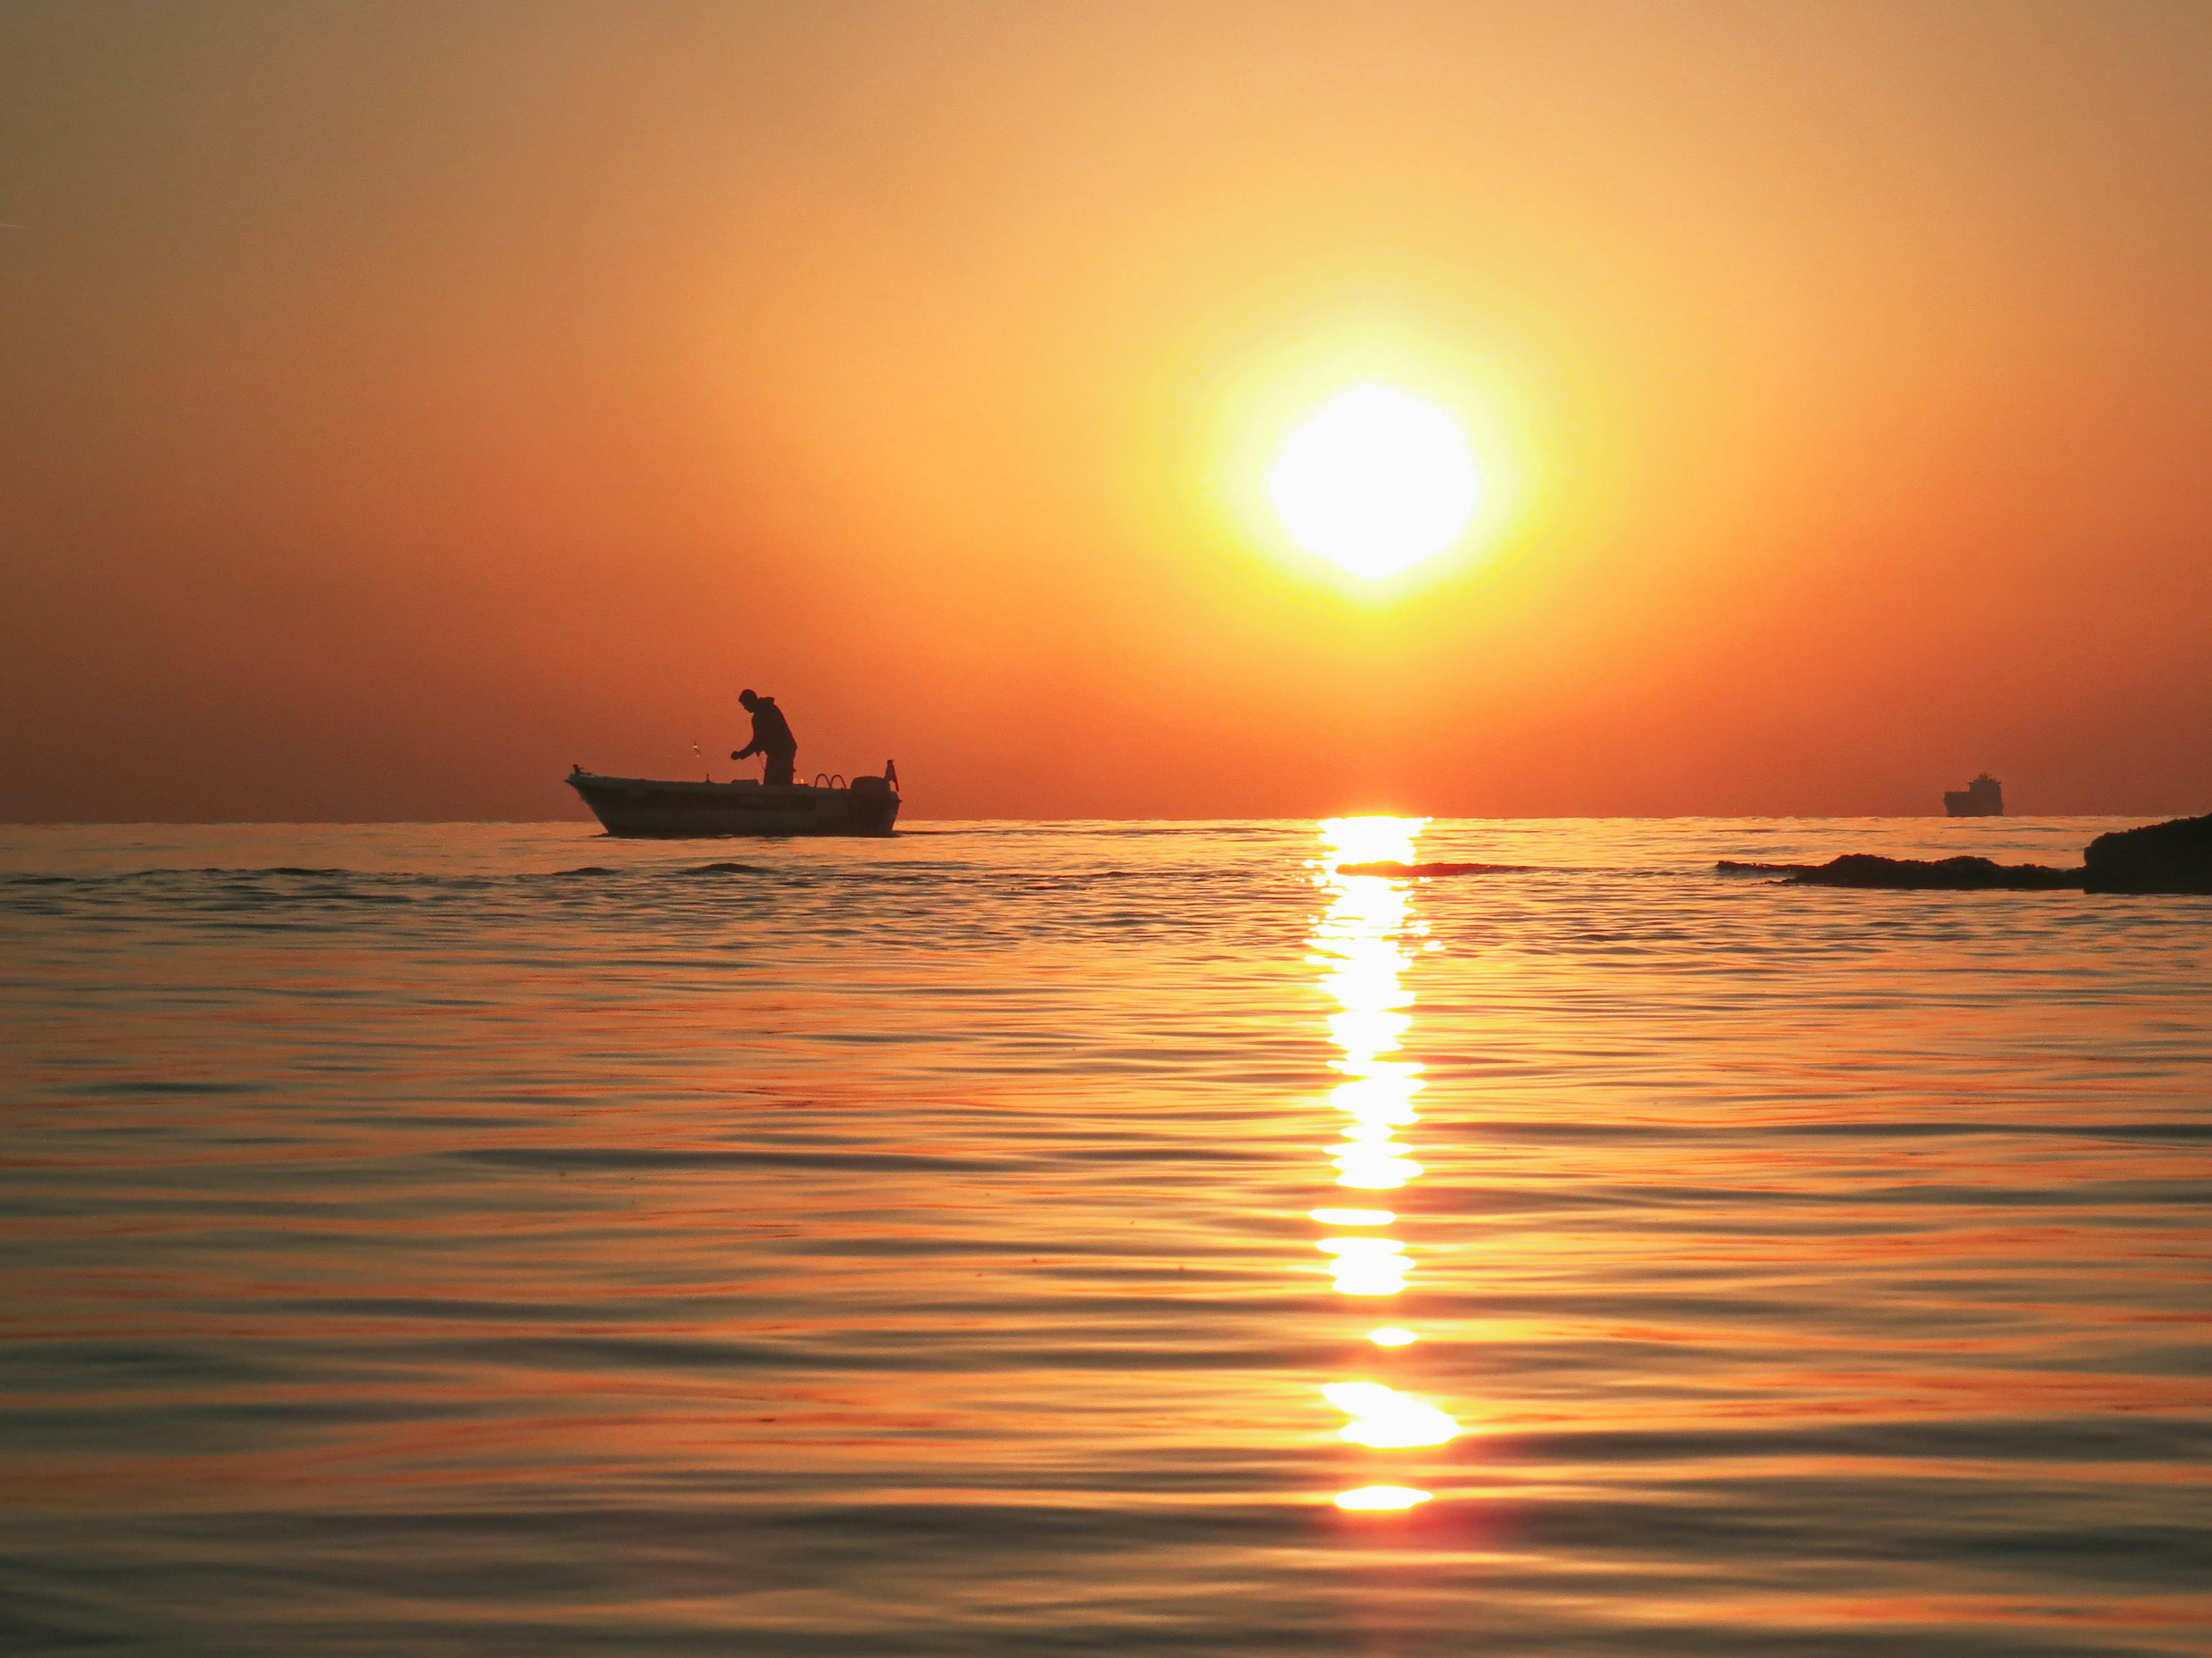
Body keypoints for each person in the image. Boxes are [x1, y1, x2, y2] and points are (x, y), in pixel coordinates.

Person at [732, 688, 798, 786]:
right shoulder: (769, 709)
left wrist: (742, 754)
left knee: (774, 783)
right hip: (781, 750)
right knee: (779, 781)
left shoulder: (762, 714)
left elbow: (759, 740)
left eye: (745, 704)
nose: (745, 708)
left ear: (751, 701)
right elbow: (763, 738)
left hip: (781, 750)